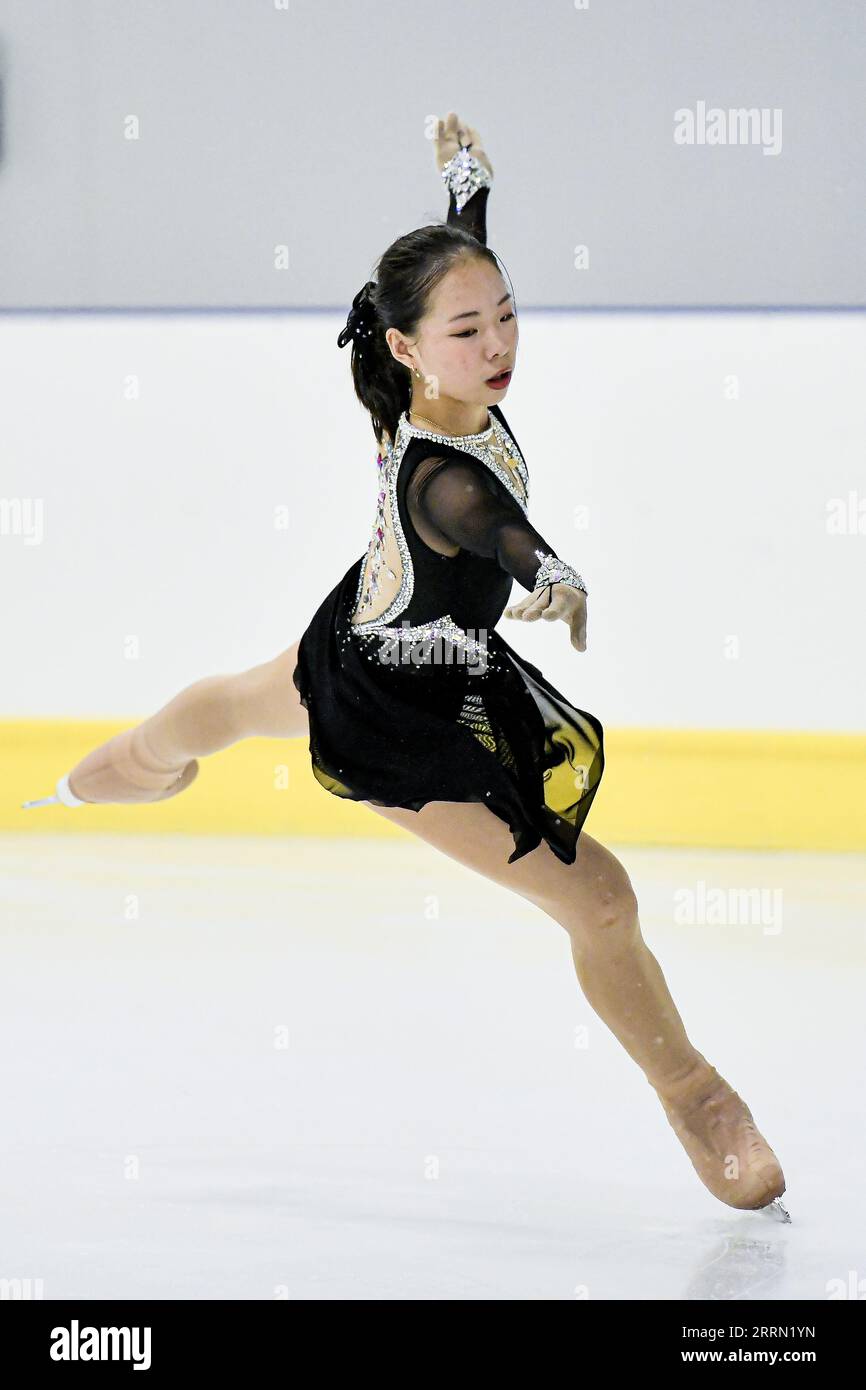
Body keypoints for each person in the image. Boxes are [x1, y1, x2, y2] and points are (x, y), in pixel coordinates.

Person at [24, 113, 788, 1218]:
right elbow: (492, 528)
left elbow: (455, 261)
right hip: (399, 716)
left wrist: (466, 185)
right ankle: (698, 1097)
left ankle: (121, 766)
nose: (496, 343)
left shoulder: (424, 374)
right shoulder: (439, 472)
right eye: (468, 329)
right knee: (603, 899)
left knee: (232, 708)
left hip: (377, 638)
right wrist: (553, 571)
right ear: (405, 346)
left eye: (507, 315)